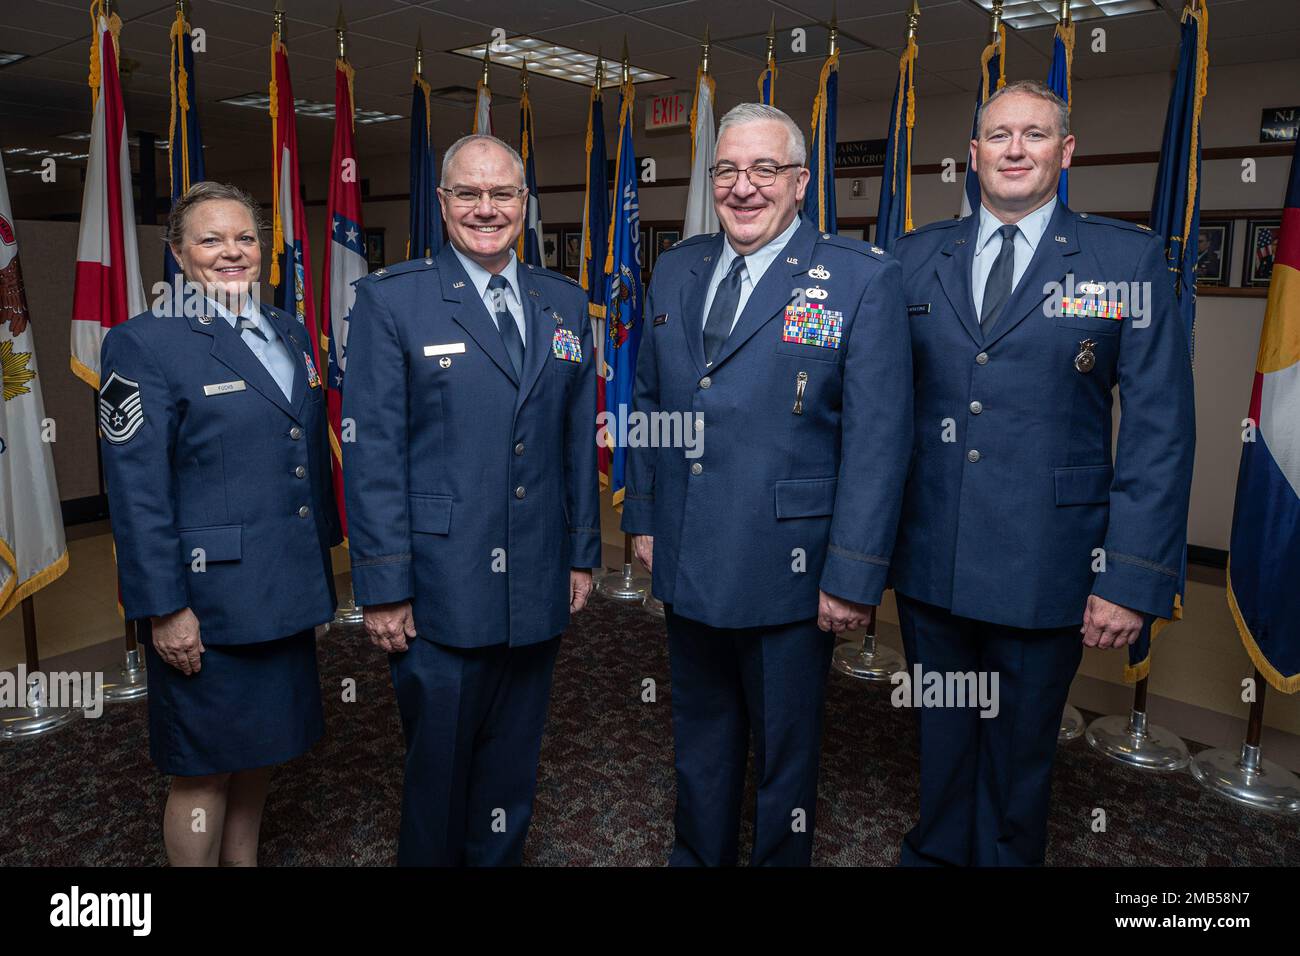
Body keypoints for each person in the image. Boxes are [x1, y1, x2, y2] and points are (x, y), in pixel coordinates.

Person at [890, 79, 1195, 866]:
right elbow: (879, 409)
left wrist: (1130, 577)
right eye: (998, 136)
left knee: (1020, 752)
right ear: (973, 153)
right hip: (932, 558)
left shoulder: (1125, 258)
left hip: (1050, 562)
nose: (1014, 150)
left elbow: (1161, 430)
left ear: (1065, 152)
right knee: (942, 732)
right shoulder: (916, 257)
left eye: (1033, 135)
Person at [620, 103, 913, 866]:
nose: (743, 187)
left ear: (800, 182)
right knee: (701, 739)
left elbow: (878, 442)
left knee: (785, 755)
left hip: (793, 563)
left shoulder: (859, 281)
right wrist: (645, 516)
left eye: (764, 170)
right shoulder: (677, 266)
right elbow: (650, 400)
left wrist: (853, 572)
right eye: (727, 170)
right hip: (687, 551)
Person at [342, 133, 601, 866]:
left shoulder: (564, 303)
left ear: (525, 202)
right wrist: (384, 588)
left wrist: (581, 553)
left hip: (536, 580)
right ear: (443, 202)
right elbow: (373, 457)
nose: (486, 209)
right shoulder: (394, 300)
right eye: (468, 193)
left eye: (502, 194)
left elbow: (574, 439)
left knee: (512, 765)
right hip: (440, 585)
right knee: (440, 769)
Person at [99, 181, 340, 866]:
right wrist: (165, 607)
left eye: (245, 238)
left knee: (263, 749)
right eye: (211, 240)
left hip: (284, 589)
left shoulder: (288, 331)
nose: (232, 252)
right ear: (178, 254)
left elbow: (302, 465)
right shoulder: (142, 344)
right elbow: (136, 492)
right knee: (204, 767)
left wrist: (316, 582)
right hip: (209, 602)